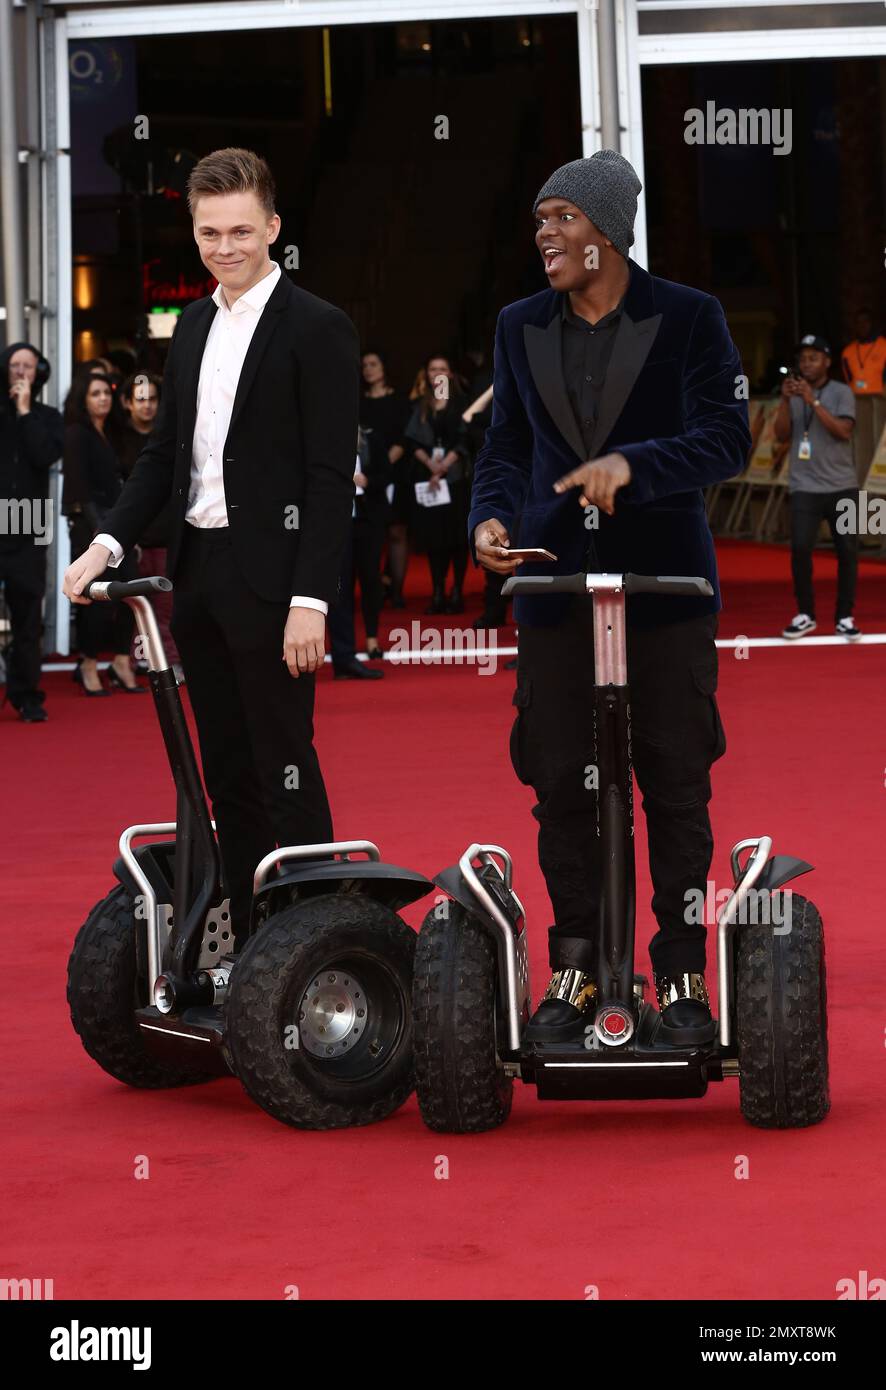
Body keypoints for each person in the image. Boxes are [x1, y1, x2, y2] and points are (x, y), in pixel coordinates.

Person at [470, 149, 751, 1044]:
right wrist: (486, 519)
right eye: (540, 220)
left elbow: (726, 440)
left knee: (674, 778)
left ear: (606, 230)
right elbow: (506, 446)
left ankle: (681, 977)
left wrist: (637, 466)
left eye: (561, 218)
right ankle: (580, 968)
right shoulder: (518, 325)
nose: (544, 234)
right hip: (553, 590)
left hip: (665, 589)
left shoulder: (691, 318)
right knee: (562, 781)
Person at [63, 146, 360, 948]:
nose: (224, 248)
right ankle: (253, 935)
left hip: (275, 584)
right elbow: (163, 458)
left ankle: (315, 940)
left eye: (239, 231)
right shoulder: (192, 323)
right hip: (199, 574)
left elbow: (332, 480)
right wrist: (108, 545)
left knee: (284, 762)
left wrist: (311, 601)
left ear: (272, 226)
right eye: (207, 234)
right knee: (223, 767)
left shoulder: (319, 327)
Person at [62, 372, 146, 696]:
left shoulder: (110, 433)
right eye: (95, 393)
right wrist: (102, 533)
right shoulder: (76, 434)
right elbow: (81, 489)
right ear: (83, 398)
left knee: (129, 592)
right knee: (93, 599)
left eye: (106, 393)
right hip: (90, 527)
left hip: (115, 526)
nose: (103, 399)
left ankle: (122, 661)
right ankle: (88, 663)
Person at [774, 334, 861, 641]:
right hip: (804, 485)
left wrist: (813, 401)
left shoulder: (841, 392)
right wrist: (786, 401)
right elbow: (781, 434)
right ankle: (806, 614)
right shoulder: (793, 395)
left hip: (843, 485)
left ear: (827, 361)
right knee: (799, 549)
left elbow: (844, 432)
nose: (806, 363)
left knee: (848, 551)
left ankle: (845, 616)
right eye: (802, 359)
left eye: (813, 358)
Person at [0, 341, 64, 722]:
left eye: (29, 366)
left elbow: (44, 455)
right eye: (15, 365)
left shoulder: (46, 416)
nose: (22, 372)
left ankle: (26, 694)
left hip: (29, 520)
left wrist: (24, 412)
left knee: (27, 614)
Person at [115, 370, 180, 667]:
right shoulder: (117, 441)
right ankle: (140, 661)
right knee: (137, 606)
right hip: (134, 538)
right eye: (140, 399)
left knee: (167, 608)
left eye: (153, 399)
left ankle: (170, 662)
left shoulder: (170, 437)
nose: (147, 405)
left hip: (169, 534)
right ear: (127, 402)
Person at [404, 354, 470, 614]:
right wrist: (431, 466)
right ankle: (438, 592)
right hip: (430, 481)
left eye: (443, 368)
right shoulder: (421, 405)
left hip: (456, 479)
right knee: (435, 540)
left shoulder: (463, 403)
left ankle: (457, 592)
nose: (438, 373)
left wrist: (444, 465)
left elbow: (467, 440)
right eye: (433, 369)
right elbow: (412, 442)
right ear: (427, 374)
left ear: (451, 374)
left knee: (457, 539)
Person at [327, 426, 387, 680]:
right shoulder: (321, 437)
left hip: (365, 520)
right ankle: (343, 656)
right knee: (339, 589)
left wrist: (368, 482)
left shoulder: (370, 438)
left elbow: (386, 473)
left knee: (370, 579)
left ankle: (358, 647)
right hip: (332, 520)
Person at [360, 350, 410, 609]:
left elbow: (405, 437)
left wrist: (384, 465)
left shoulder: (399, 400)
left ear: (384, 367)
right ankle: (377, 587)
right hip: (366, 477)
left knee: (397, 531)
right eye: (364, 365)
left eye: (373, 364)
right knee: (372, 533)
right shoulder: (359, 402)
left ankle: (398, 591)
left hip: (394, 472)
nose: (368, 369)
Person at [841, 309, 886, 485]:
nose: (863, 326)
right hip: (859, 404)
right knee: (861, 449)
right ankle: (863, 487)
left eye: (866, 321)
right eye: (858, 322)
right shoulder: (848, 352)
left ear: (872, 323)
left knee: (881, 447)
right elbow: (848, 378)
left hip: (881, 403)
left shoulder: (883, 346)